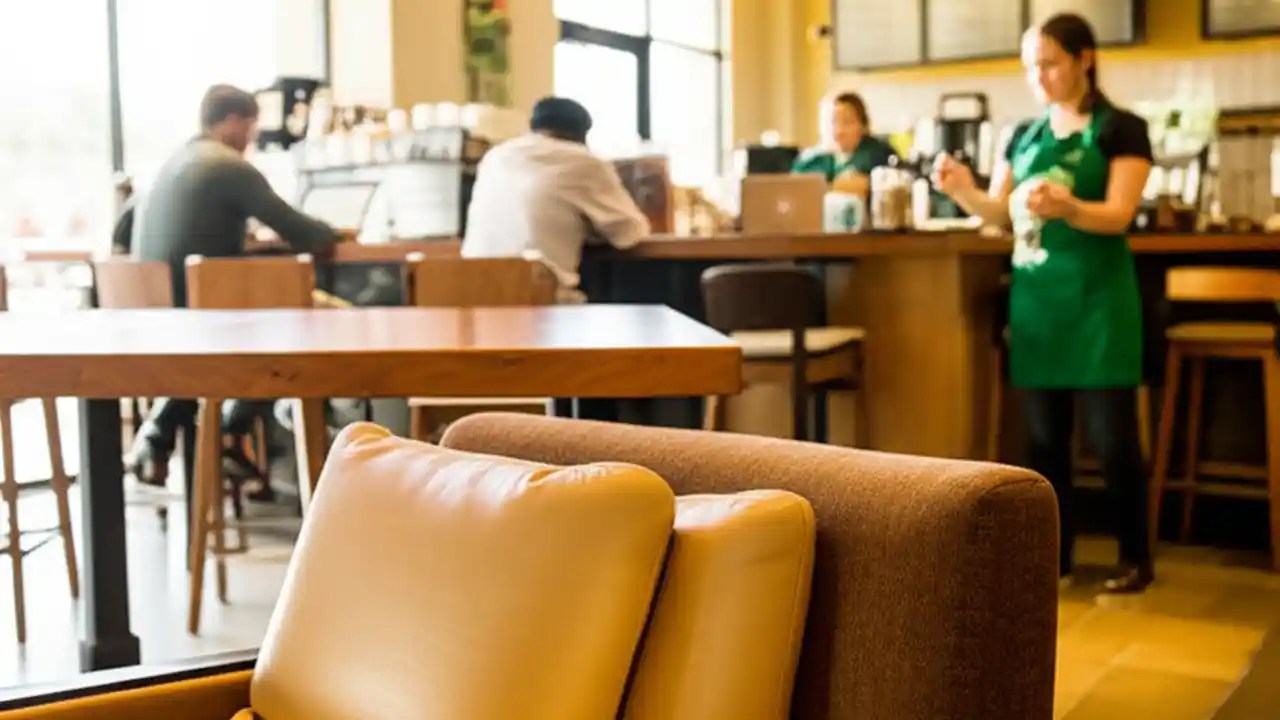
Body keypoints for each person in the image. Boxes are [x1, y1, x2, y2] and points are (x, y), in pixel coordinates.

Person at [933, 14, 1154, 594]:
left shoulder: (1121, 130)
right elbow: (1001, 213)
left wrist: (1072, 208)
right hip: (1036, 301)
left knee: (1111, 439)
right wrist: (962, 191)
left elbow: (1119, 214)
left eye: (1051, 63)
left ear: (1085, 59)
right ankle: (1054, 557)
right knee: (1044, 441)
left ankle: (1135, 557)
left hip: (1099, 301)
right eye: (1032, 66)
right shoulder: (1023, 136)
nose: (1041, 77)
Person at [125, 84, 339, 489]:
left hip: (159, 310)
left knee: (261, 326)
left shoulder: (173, 162)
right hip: (202, 318)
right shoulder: (228, 167)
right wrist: (336, 232)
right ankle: (231, 429)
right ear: (235, 121)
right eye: (252, 126)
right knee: (297, 326)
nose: (252, 138)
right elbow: (307, 234)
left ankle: (182, 433)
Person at [461, 96, 650, 302]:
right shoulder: (582, 160)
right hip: (540, 304)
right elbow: (629, 233)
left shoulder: (495, 156)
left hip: (474, 300)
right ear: (582, 135)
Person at [791, 92, 898, 197]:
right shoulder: (815, 158)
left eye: (847, 122)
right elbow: (792, 187)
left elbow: (858, 186)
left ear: (863, 125)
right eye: (834, 122)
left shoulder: (875, 152)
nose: (839, 130)